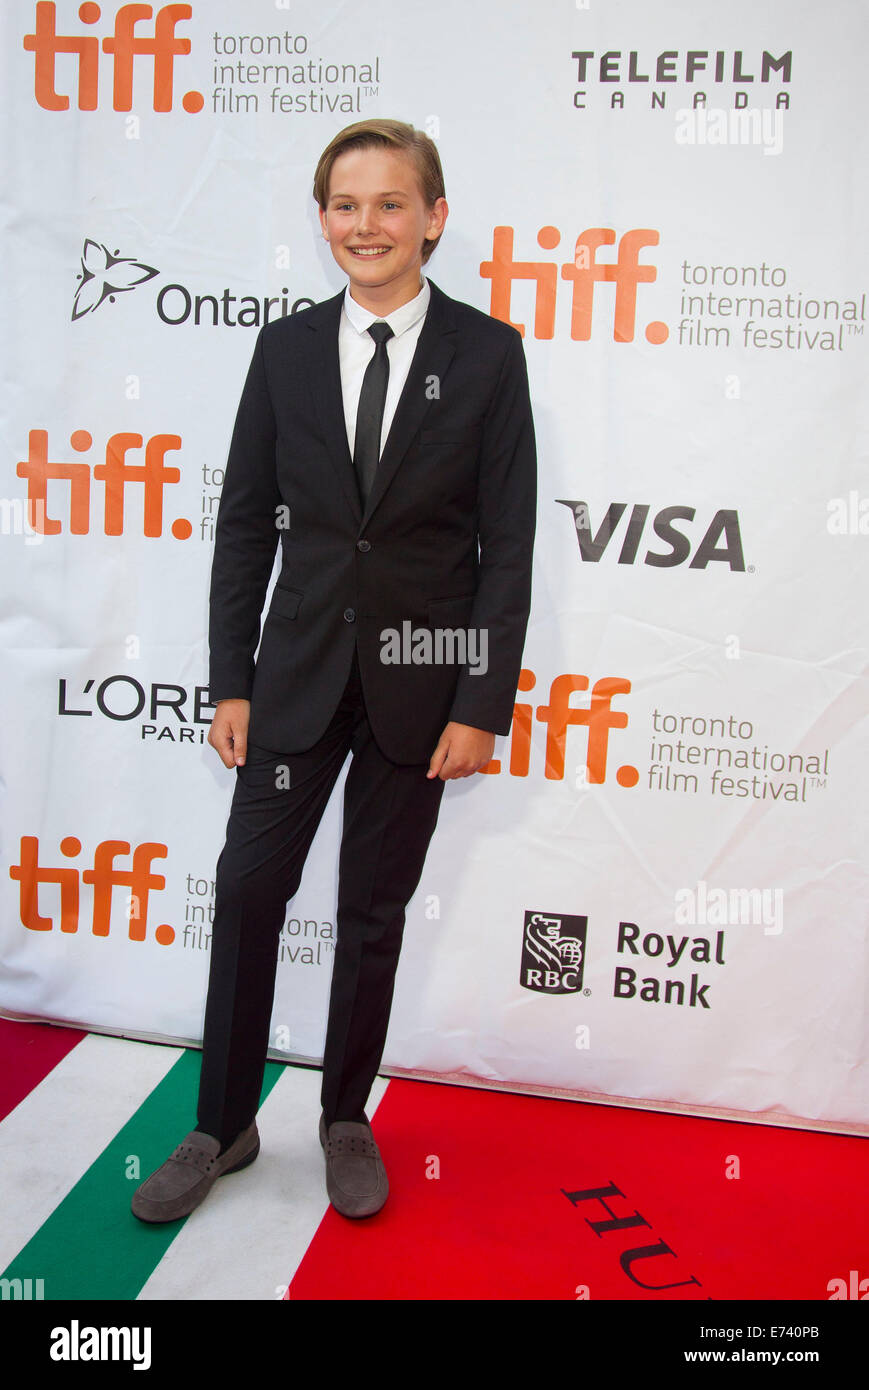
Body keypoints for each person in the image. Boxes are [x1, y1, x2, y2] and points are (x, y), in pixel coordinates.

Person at [131, 117, 536, 1223]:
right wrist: (230, 680)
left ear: (433, 218)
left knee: (371, 911)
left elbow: (505, 549)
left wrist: (479, 702)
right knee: (250, 890)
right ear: (322, 224)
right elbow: (242, 528)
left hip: (420, 683)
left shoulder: (489, 356)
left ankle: (344, 1115)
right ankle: (221, 1124)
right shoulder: (285, 350)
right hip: (295, 676)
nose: (367, 224)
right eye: (345, 206)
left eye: (390, 204)